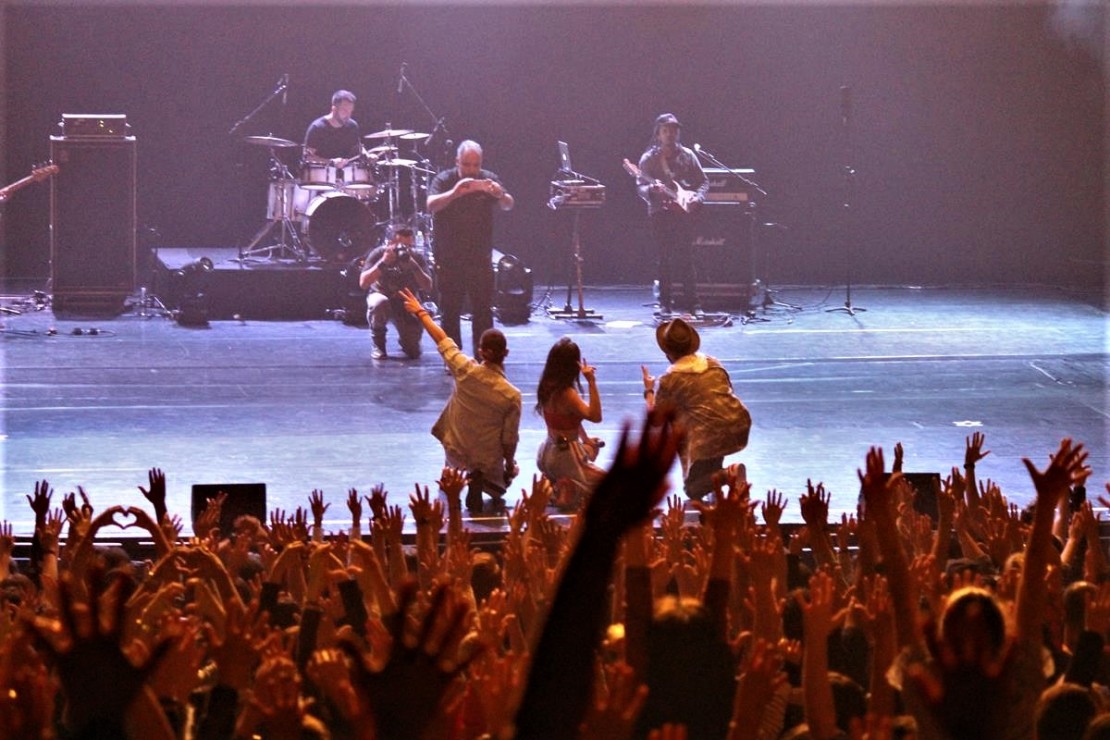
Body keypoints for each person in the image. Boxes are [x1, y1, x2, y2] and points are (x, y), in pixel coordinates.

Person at [398, 286, 521, 514]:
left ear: (481, 351)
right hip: (486, 458)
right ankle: (480, 479)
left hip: (457, 447)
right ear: (506, 352)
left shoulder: (464, 369)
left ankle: (454, 471)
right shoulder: (511, 395)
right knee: (506, 480)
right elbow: (509, 439)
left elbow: (442, 339)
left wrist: (420, 312)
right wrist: (509, 464)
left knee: (456, 450)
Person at [642, 317, 751, 500]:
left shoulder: (671, 378)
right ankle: (718, 482)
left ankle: (728, 474)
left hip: (708, 434)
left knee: (692, 489)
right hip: (735, 422)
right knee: (703, 431)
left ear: (668, 353)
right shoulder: (712, 362)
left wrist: (649, 390)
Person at [426, 140, 514, 355]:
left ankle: (484, 356)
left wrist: (499, 194)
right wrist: (456, 192)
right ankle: (452, 357)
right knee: (450, 309)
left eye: (476, 165)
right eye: (466, 164)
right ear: (457, 162)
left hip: (479, 255)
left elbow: (508, 204)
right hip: (449, 255)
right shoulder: (445, 179)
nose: (471, 170)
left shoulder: (488, 178)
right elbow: (430, 205)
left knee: (483, 309)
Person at [636, 113, 709, 317]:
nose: (670, 134)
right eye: (666, 130)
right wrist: (652, 191)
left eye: (674, 130)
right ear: (658, 134)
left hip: (683, 214)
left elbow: (703, 181)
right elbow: (640, 186)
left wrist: (697, 198)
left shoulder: (688, 155)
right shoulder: (649, 159)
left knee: (686, 259)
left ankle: (693, 304)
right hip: (660, 213)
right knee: (664, 259)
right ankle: (664, 304)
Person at [534, 337, 604, 509]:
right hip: (567, 458)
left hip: (547, 452)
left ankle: (558, 484)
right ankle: (567, 489)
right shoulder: (567, 393)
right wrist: (591, 382)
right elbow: (595, 416)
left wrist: (586, 440)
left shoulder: (546, 386)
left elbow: (569, 418)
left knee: (592, 447)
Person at [358, 226, 434, 360]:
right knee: (378, 303)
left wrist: (414, 267)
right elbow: (363, 283)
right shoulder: (378, 254)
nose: (405, 250)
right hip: (382, 295)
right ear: (389, 243)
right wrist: (383, 262)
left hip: (405, 300)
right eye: (401, 246)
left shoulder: (415, 257)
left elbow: (428, 287)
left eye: (409, 246)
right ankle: (378, 343)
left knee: (413, 352)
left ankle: (406, 340)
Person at [302, 89, 363, 166]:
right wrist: (331, 162)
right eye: (345, 111)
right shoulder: (317, 128)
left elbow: (358, 149)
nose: (348, 115)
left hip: (347, 173)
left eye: (350, 111)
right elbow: (307, 157)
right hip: (322, 174)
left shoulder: (352, 126)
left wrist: (367, 155)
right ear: (334, 109)